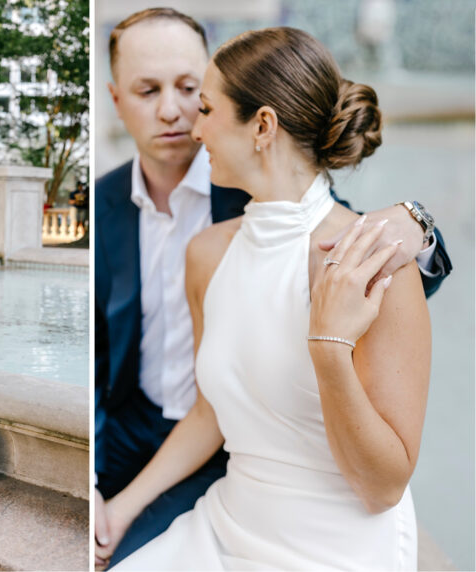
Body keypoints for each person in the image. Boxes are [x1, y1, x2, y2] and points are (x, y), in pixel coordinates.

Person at [94, 8, 451, 568]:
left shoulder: (373, 260)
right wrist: (117, 511)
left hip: (334, 543)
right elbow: (211, 410)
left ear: (262, 127)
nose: (192, 126)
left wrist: (329, 349)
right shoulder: (207, 254)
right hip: (227, 519)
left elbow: (383, 488)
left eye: (204, 106)